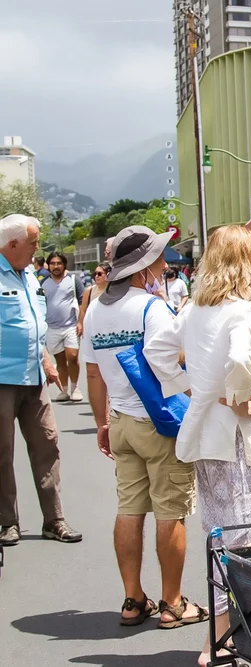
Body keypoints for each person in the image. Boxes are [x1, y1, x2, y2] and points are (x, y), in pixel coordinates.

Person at [146, 225, 251, 666]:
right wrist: (236, 395)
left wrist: (192, 386)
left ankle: (224, 634)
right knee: (241, 537)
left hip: (202, 433)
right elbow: (238, 360)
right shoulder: (241, 311)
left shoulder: (194, 308)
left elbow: (156, 350)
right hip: (233, 435)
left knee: (218, 534)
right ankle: (223, 637)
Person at [81, 225, 209, 629]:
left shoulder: (97, 309)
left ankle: (133, 600)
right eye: (158, 258)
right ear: (142, 267)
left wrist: (102, 423)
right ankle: (172, 603)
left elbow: (93, 375)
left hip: (118, 420)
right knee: (171, 511)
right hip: (159, 423)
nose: (163, 264)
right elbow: (170, 363)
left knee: (129, 509)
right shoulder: (152, 308)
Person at [0, 214, 83, 546]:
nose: (39, 248)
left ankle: (54, 519)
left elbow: (34, 326)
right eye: (34, 242)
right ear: (13, 244)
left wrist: (47, 361)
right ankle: (7, 522)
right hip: (3, 380)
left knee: (48, 445)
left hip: (34, 377)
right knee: (2, 453)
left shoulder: (32, 276)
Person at [41, 252, 85, 402]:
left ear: (64, 264)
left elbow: (82, 302)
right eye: (52, 263)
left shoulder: (73, 280)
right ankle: (64, 390)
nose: (56, 266)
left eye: (59, 263)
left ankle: (75, 388)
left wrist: (80, 322)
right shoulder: (43, 283)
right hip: (52, 328)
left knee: (72, 357)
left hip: (70, 326)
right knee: (60, 360)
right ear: (48, 266)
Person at [77, 262, 110, 339]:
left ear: (108, 274)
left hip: (108, 327)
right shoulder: (89, 291)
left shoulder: (113, 291)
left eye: (99, 274)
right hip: (92, 328)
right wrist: (81, 324)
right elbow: (83, 310)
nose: (96, 276)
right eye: (95, 274)